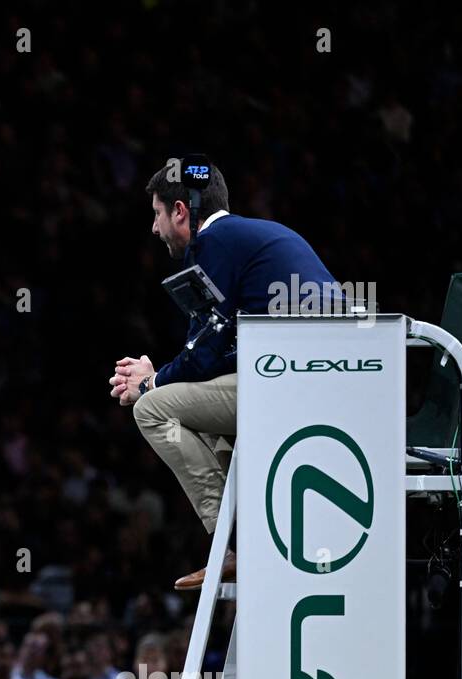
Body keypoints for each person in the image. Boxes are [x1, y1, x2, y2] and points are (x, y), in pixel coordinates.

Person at [109, 161, 338, 589]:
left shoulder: (215, 242)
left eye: (156, 214)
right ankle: (253, 536)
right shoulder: (246, 238)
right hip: (320, 382)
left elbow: (206, 351)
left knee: (152, 411)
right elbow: (213, 356)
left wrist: (150, 383)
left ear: (180, 211)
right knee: (198, 416)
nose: (153, 229)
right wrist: (159, 374)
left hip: (295, 386)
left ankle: (231, 544)